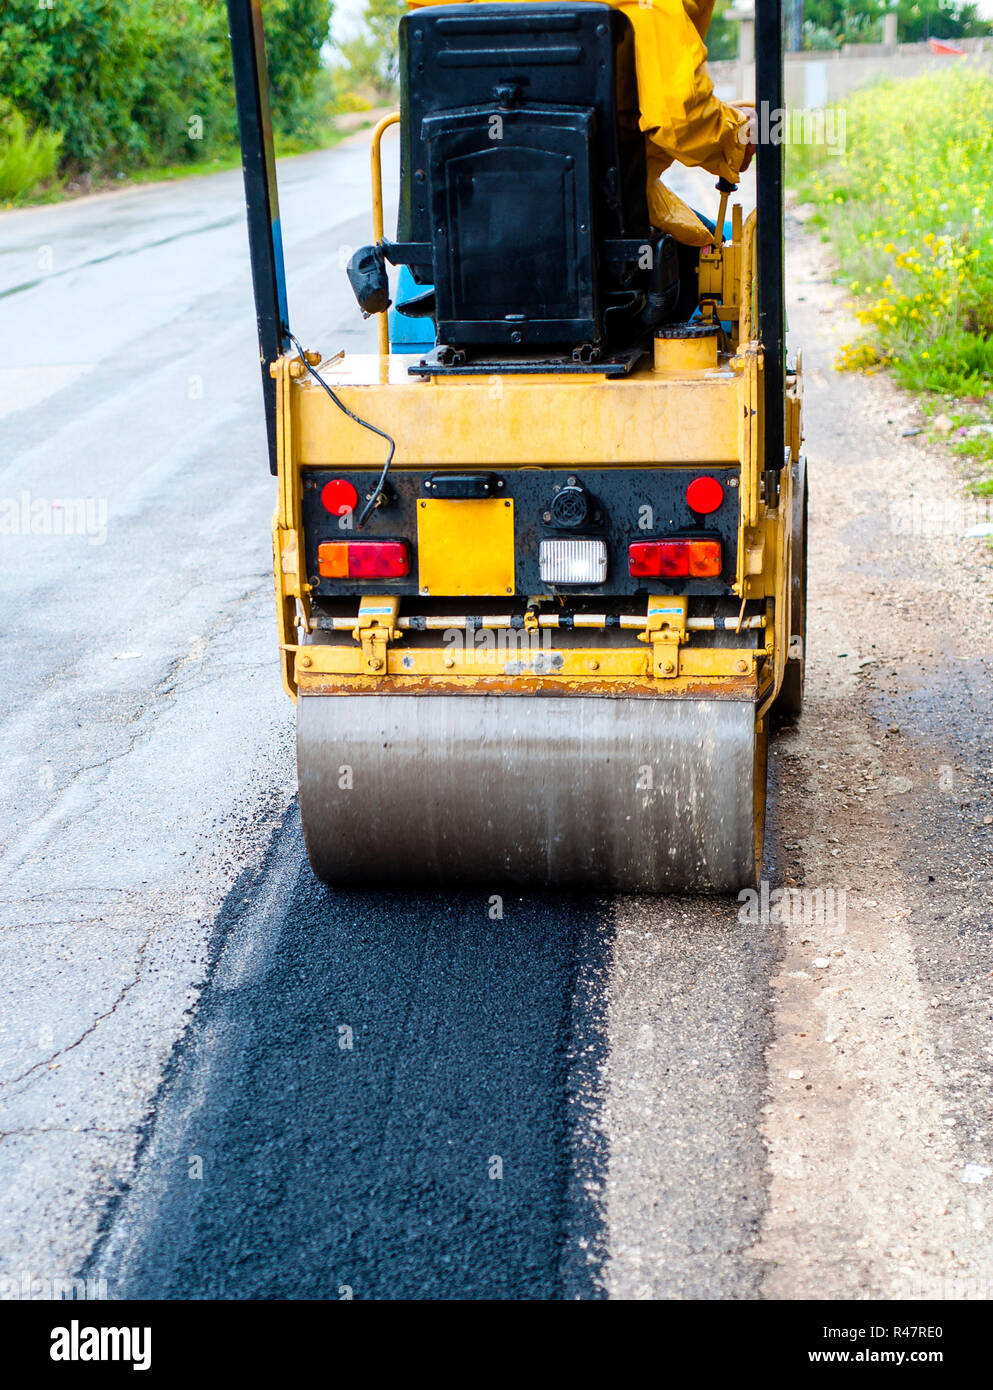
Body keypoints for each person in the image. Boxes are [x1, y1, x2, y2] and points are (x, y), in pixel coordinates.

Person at [405, 0, 757, 247]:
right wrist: (737, 137)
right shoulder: (652, 8)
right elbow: (678, 118)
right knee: (714, 247)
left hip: (464, 221)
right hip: (602, 218)